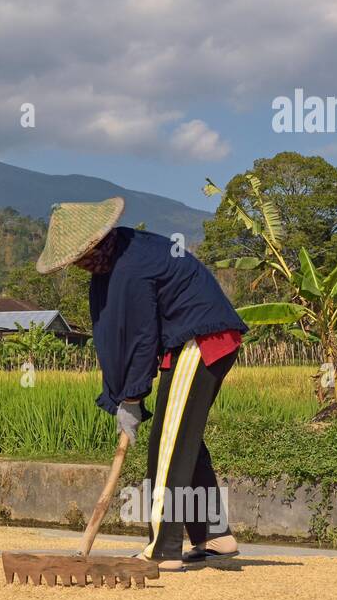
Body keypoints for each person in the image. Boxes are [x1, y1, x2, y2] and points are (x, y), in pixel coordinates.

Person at [36, 199, 247, 571]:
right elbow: (114, 334)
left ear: (100, 239)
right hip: (186, 342)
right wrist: (120, 396)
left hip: (201, 341)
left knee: (167, 444)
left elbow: (140, 337)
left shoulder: (132, 266)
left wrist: (132, 397)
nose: (83, 263)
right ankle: (214, 535)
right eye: (77, 260)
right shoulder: (116, 263)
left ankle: (163, 548)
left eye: (85, 254)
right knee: (183, 441)